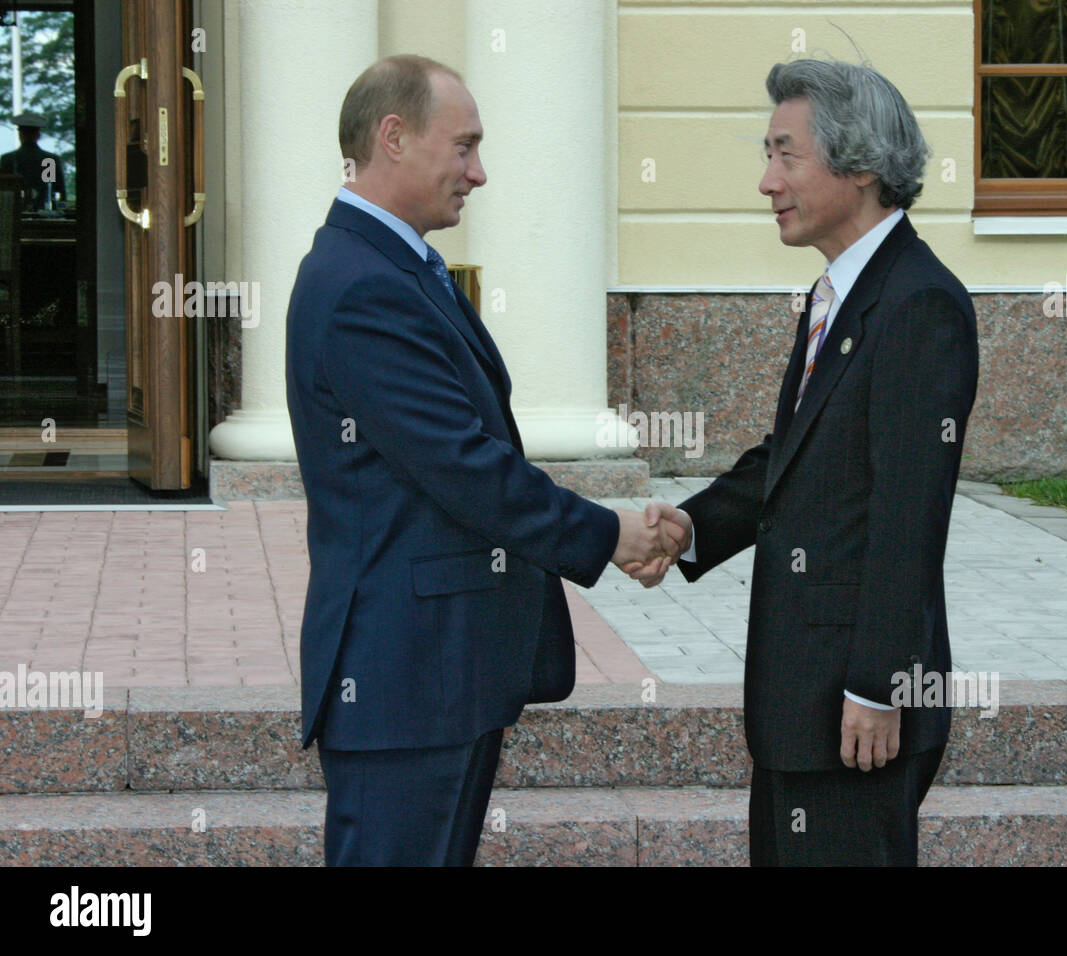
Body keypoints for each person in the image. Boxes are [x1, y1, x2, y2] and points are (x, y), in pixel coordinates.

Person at [284, 55, 687, 866]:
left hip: (439, 672)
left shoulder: (395, 268)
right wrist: (610, 533)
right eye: (463, 147)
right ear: (393, 138)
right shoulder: (363, 284)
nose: (479, 172)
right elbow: (464, 466)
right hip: (404, 679)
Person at [628, 59, 979, 865]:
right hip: (802, 703)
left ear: (858, 166)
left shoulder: (918, 303)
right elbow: (792, 460)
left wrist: (878, 685)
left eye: (786, 154)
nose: (765, 180)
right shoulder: (843, 292)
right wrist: (691, 525)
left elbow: (909, 516)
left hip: (853, 714)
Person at [0, 112, 65, 211]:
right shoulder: (49, 160)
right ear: (38, 135)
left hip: (16, 214)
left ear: (20, 134)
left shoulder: (9, 159)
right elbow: (56, 191)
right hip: (44, 213)